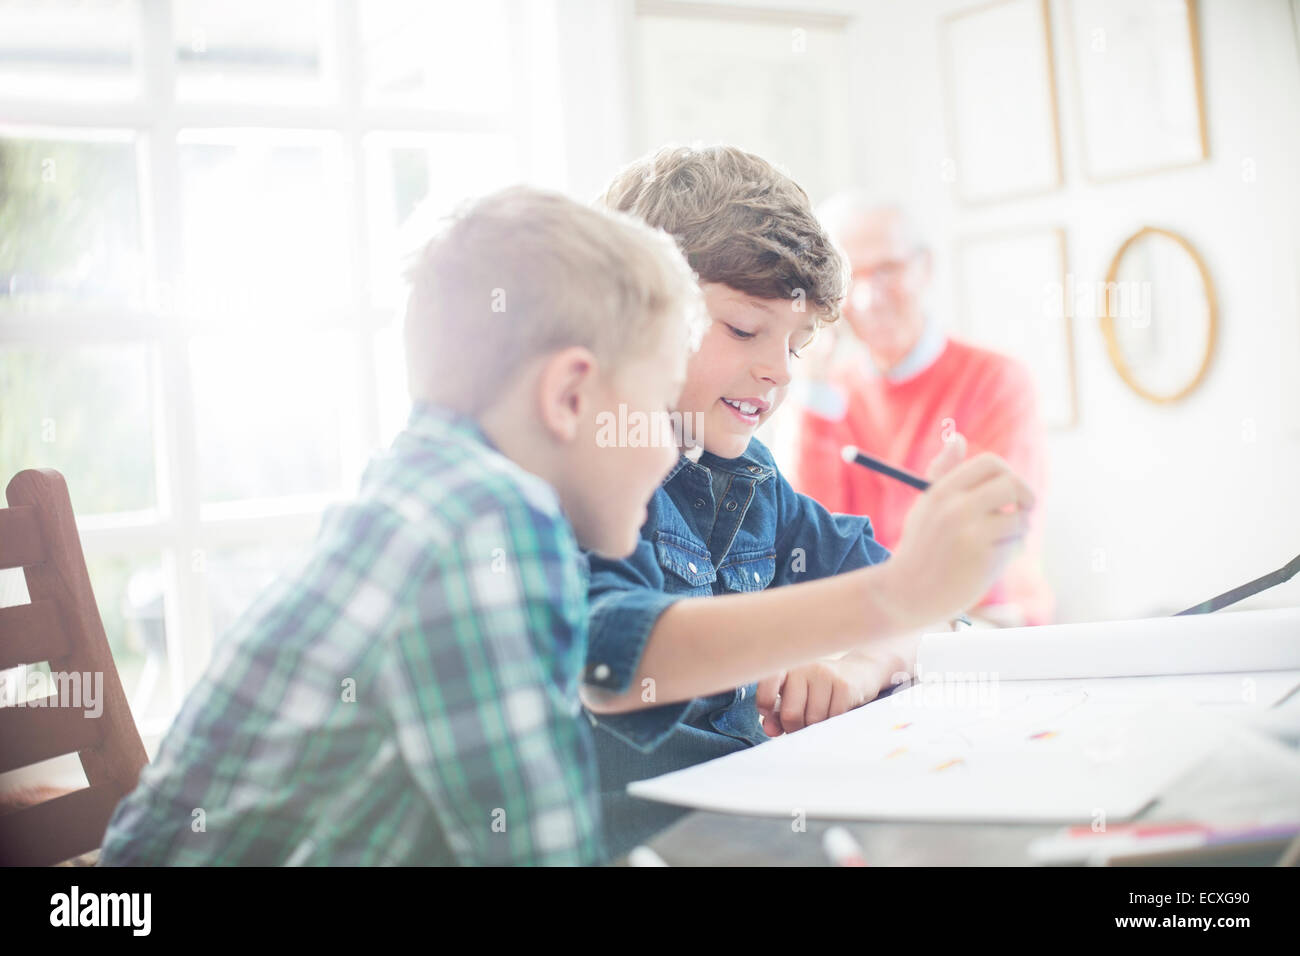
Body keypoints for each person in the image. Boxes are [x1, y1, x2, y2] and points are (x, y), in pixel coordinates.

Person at [98, 186, 706, 865]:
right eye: (660, 404)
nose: (672, 445)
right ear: (569, 396)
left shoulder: (424, 486)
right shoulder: (486, 522)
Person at [580, 146, 1035, 856]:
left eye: (798, 343)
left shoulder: (749, 476)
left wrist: (864, 662)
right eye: (743, 329)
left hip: (754, 826)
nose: (776, 371)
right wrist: (894, 595)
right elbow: (622, 663)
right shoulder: (588, 472)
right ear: (635, 311)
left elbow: (926, 614)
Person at [792, 193, 1053, 627]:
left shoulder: (996, 380)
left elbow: (982, 544)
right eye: (850, 279)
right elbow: (816, 552)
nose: (869, 298)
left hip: (987, 623)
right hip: (881, 629)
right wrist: (812, 392)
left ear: (925, 268)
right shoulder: (830, 395)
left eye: (888, 270)